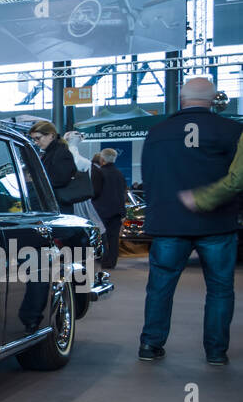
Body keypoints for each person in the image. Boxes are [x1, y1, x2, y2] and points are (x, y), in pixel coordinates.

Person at [137, 76, 242, 365]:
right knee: (220, 289)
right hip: (217, 224)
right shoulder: (232, 130)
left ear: (182, 99)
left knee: (160, 287)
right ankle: (216, 352)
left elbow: (149, 178)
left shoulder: (156, 132)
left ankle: (150, 344)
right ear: (213, 100)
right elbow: (238, 179)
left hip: (169, 223)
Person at [91, 148, 127, 270]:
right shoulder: (120, 174)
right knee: (114, 238)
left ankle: (103, 260)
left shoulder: (99, 173)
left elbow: (95, 192)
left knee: (102, 237)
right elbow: (123, 193)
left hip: (101, 211)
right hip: (116, 211)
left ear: (102, 159)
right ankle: (111, 262)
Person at [29, 121, 76, 213]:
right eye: (34, 139)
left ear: (51, 136)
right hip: (54, 206)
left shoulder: (60, 153)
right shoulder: (52, 152)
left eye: (38, 138)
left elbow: (60, 179)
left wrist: (35, 180)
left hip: (58, 207)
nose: (36, 142)